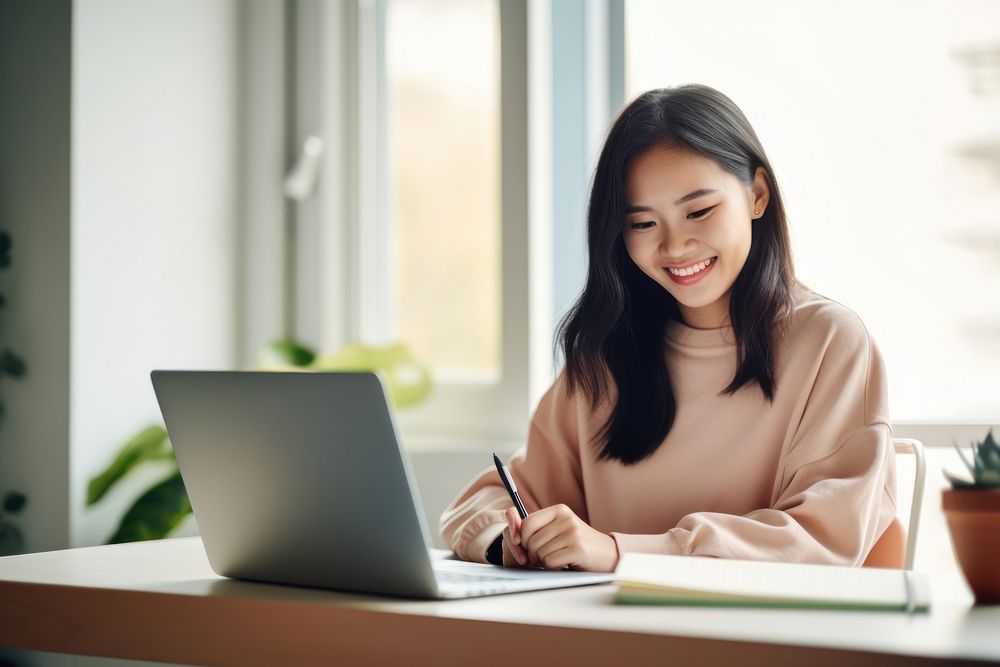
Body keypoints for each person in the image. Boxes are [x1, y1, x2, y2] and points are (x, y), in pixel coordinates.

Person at [439, 84, 898, 573]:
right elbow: (488, 501)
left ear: (757, 194)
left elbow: (820, 541)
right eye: (642, 224)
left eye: (699, 211)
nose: (676, 246)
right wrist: (507, 542)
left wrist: (620, 553)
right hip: (612, 642)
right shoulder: (607, 355)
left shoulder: (831, 343)